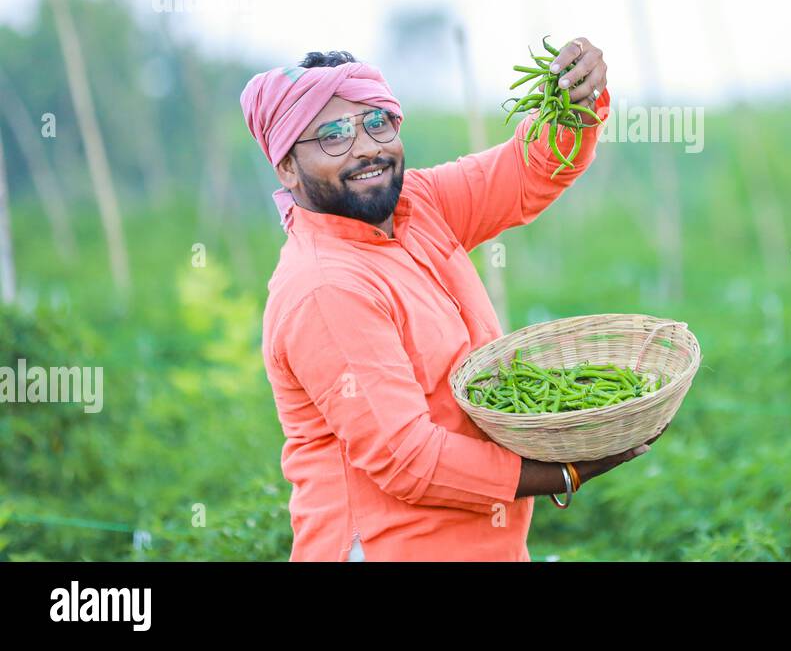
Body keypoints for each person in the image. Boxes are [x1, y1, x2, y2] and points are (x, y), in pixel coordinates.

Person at [239, 38, 664, 561]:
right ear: (286, 166)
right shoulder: (327, 287)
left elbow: (528, 172)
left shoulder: (419, 205)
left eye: (378, 123)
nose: (366, 147)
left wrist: (576, 103)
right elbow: (408, 459)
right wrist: (566, 471)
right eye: (333, 136)